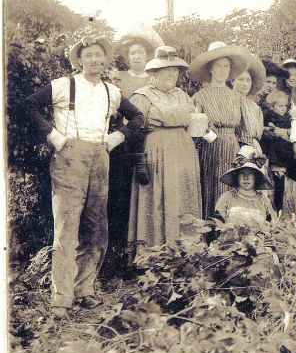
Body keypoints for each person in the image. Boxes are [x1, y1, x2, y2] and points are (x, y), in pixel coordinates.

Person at [26, 33, 145, 318]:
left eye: (99, 55)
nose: (95, 60)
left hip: (100, 158)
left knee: (96, 227)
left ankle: (85, 290)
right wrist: (54, 137)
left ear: (105, 59)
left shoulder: (111, 91)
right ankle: (61, 299)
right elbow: (28, 105)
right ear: (79, 59)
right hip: (69, 157)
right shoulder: (62, 86)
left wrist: (116, 137)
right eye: (88, 55)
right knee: (67, 227)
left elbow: (138, 118)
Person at [128, 45, 202, 249]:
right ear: (154, 73)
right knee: (159, 199)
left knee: (182, 197)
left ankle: (186, 250)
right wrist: (139, 160)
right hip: (157, 153)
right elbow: (132, 132)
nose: (171, 74)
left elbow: (195, 123)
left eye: (175, 70)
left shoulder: (183, 95)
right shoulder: (142, 96)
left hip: (184, 153)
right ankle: (155, 252)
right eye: (166, 70)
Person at [105, 26, 163, 278]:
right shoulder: (118, 79)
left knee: (142, 194)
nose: (137, 56)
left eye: (141, 52)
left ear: (148, 56)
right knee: (119, 196)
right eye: (132, 53)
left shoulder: (154, 80)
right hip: (122, 144)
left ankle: (140, 254)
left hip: (147, 142)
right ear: (127, 56)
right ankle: (115, 255)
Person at [189, 41, 255, 219]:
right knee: (210, 189)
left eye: (226, 66)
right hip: (209, 150)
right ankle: (210, 236)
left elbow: (246, 132)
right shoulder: (199, 97)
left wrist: (243, 156)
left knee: (232, 191)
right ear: (210, 68)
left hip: (233, 152)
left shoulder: (237, 97)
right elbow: (195, 129)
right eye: (219, 65)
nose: (223, 70)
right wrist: (212, 139)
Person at [214, 154, 275, 225]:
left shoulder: (263, 200)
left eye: (250, 174)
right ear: (237, 177)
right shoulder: (226, 198)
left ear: (256, 178)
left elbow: (272, 224)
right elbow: (218, 224)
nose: (246, 178)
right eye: (242, 174)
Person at [260, 89, 294, 210]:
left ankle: (281, 210)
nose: (283, 109)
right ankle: (272, 211)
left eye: (285, 106)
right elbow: (268, 139)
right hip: (274, 157)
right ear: (272, 106)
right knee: (274, 187)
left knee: (283, 188)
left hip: (286, 157)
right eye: (280, 106)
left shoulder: (289, 120)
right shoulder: (269, 120)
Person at [232, 55, 268, 157]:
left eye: (248, 80)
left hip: (254, 149)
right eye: (241, 79)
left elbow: (258, 135)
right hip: (235, 148)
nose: (245, 84)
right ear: (232, 81)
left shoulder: (255, 107)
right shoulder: (229, 101)